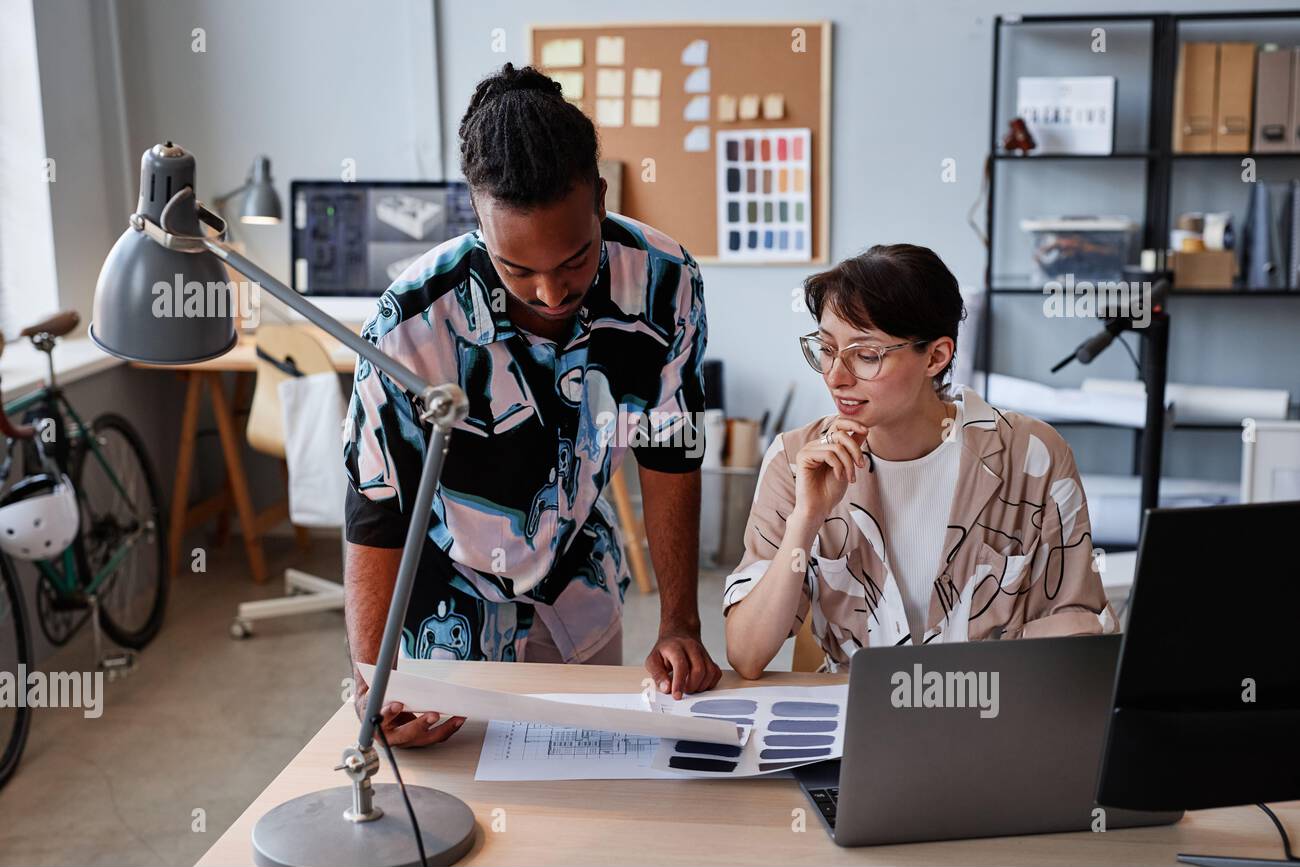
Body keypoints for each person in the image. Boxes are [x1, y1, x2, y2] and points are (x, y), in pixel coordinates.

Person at [344, 64, 721, 746]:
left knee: (580, 792)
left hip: (578, 583)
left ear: (601, 198)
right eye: (519, 269)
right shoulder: (411, 322)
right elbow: (378, 503)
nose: (550, 293)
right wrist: (376, 676)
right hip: (444, 603)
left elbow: (671, 451)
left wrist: (679, 622)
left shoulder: (664, 284)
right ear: (477, 219)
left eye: (575, 260)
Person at [724, 244, 1118, 677]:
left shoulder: (1033, 456)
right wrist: (806, 519)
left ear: (936, 356)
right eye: (827, 349)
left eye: (866, 355)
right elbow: (746, 653)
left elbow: (1077, 641)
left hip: (994, 718)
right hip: (855, 724)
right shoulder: (795, 460)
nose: (836, 377)